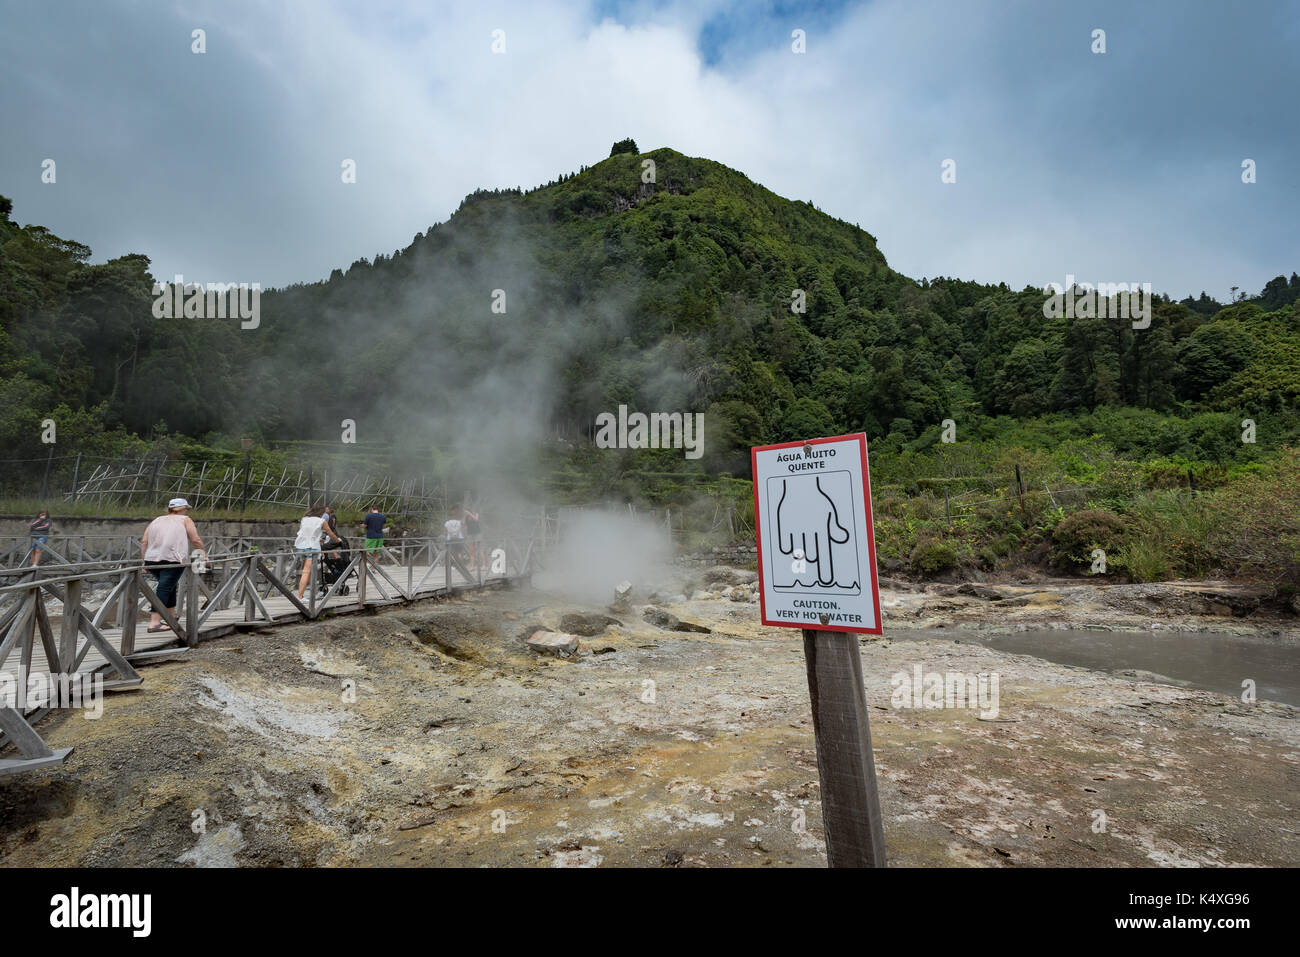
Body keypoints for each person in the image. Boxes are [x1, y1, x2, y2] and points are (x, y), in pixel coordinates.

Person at [140, 498, 207, 632]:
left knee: (168, 585)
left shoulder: (157, 520)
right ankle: (154, 622)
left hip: (151, 559)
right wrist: (204, 554)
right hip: (173, 558)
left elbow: (144, 541)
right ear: (182, 509)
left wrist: (143, 561)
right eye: (186, 508)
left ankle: (171, 617)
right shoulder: (185, 519)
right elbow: (195, 539)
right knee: (165, 587)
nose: (187, 510)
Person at [296, 504, 343, 599]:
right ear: (321, 513)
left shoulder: (304, 519)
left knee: (309, 572)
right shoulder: (322, 521)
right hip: (312, 547)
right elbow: (331, 533)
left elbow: (306, 532)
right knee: (306, 571)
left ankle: (315, 593)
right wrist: (338, 540)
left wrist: (318, 538)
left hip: (301, 546)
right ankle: (300, 597)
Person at [444, 505, 468, 570]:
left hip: (450, 539)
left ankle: (454, 566)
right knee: (459, 552)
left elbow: (445, 532)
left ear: (450, 517)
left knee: (452, 553)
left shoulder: (447, 523)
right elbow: (464, 527)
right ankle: (460, 565)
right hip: (459, 539)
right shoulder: (459, 522)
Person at [463, 503, 484, 573]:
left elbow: (476, 520)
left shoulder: (475, 514)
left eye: (466, 511)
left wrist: (469, 514)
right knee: (471, 551)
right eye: (465, 511)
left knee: (480, 549)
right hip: (470, 534)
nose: (465, 512)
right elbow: (464, 525)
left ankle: (484, 565)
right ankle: (472, 566)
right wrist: (464, 519)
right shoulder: (466, 517)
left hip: (477, 534)